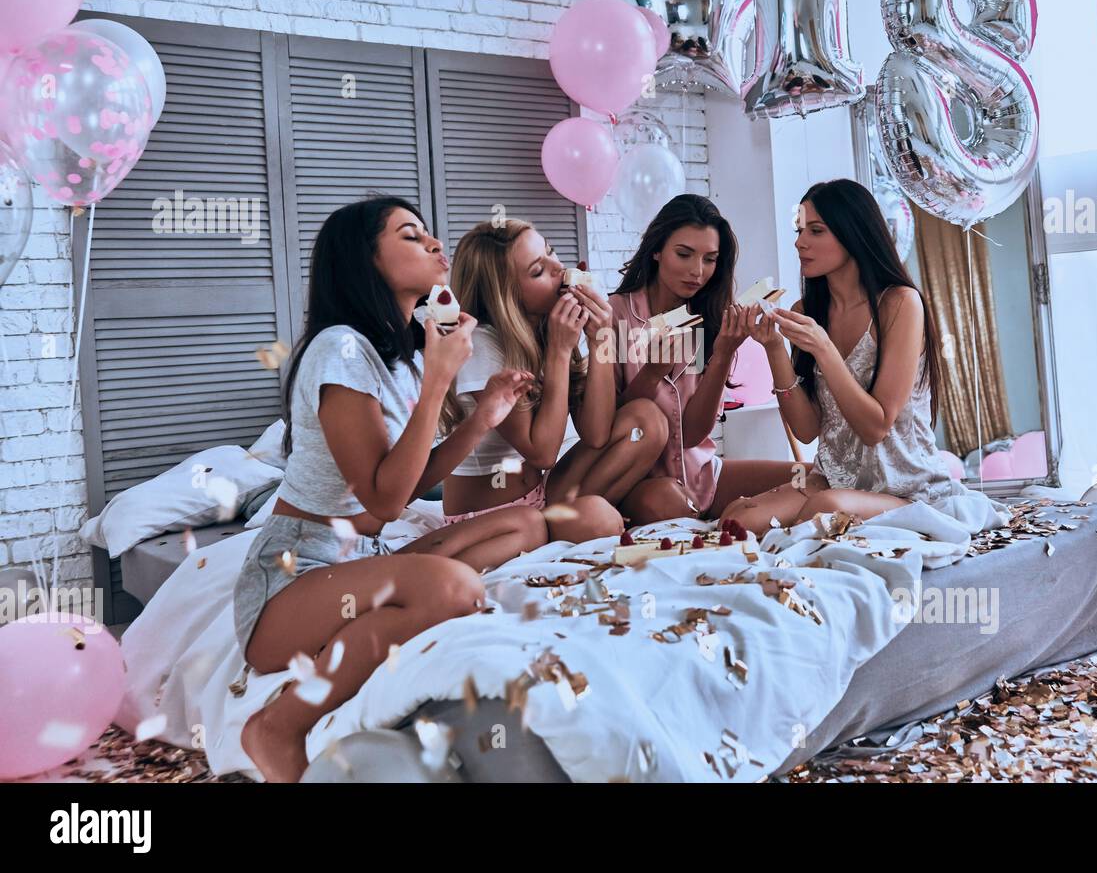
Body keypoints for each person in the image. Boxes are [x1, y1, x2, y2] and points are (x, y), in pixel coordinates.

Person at [233, 196, 547, 783]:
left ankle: (403, 599)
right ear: (365, 261)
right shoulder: (340, 349)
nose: (434, 244)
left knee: (527, 523)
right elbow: (383, 501)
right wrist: (438, 381)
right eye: (410, 235)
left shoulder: (397, 357)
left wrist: (483, 416)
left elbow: (404, 483)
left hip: (362, 556)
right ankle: (280, 724)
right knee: (454, 588)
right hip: (294, 574)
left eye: (429, 233)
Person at [720, 179, 1011, 536]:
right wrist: (774, 349)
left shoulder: (900, 304)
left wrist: (824, 349)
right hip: (831, 480)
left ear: (852, 233)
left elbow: (876, 427)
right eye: (799, 231)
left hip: (905, 487)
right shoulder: (807, 311)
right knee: (738, 518)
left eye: (816, 231)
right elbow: (807, 430)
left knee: (826, 509)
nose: (800, 242)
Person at [439, 218, 665, 540]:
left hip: (540, 496)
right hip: (489, 517)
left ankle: (577, 518)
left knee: (646, 420)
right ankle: (580, 520)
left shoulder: (546, 328)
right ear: (505, 295)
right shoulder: (483, 346)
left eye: (551, 252)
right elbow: (542, 453)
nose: (559, 268)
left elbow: (597, 433)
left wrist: (601, 339)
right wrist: (559, 352)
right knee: (600, 520)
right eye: (538, 271)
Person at [608, 194, 807, 525]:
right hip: (637, 483)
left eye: (710, 259)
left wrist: (724, 353)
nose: (697, 272)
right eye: (684, 254)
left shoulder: (706, 320)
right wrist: (652, 374)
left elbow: (693, 432)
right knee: (670, 503)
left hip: (700, 476)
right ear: (656, 250)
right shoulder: (616, 314)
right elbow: (609, 428)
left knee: (811, 477)